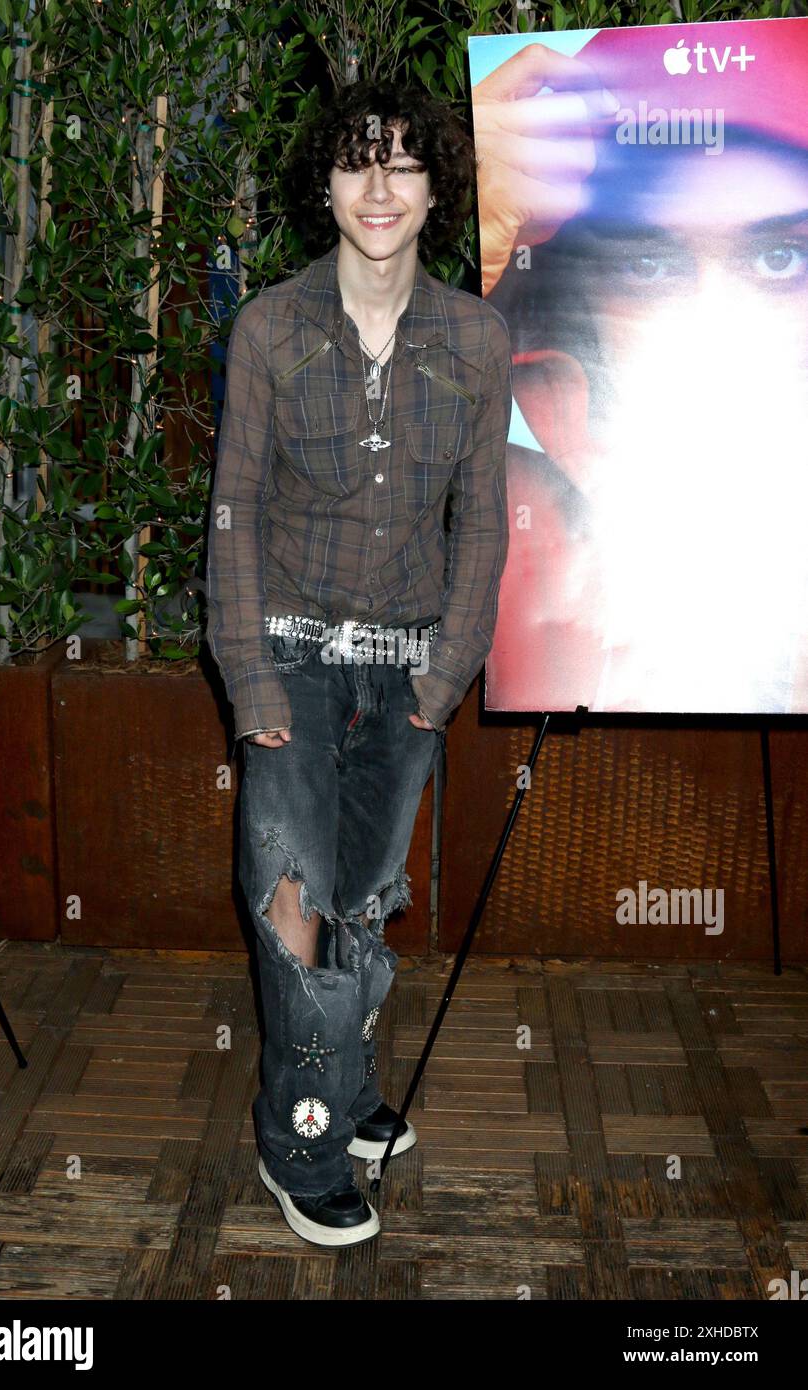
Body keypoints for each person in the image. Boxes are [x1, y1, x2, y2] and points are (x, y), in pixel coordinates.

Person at [205, 79, 512, 1246]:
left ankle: (347, 1083)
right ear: (324, 186)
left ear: (434, 187)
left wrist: (446, 676)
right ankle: (307, 1138)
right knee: (294, 904)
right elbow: (231, 510)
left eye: (400, 165)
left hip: (408, 666)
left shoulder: (474, 337)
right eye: (352, 164)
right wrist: (249, 672)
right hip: (286, 647)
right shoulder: (271, 327)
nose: (376, 189)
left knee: (365, 902)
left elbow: (479, 523)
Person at [472, 24, 808, 715]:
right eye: (647, 265)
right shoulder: (503, 508)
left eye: (781, 259)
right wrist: (485, 248)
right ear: (573, 290)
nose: (717, 326)